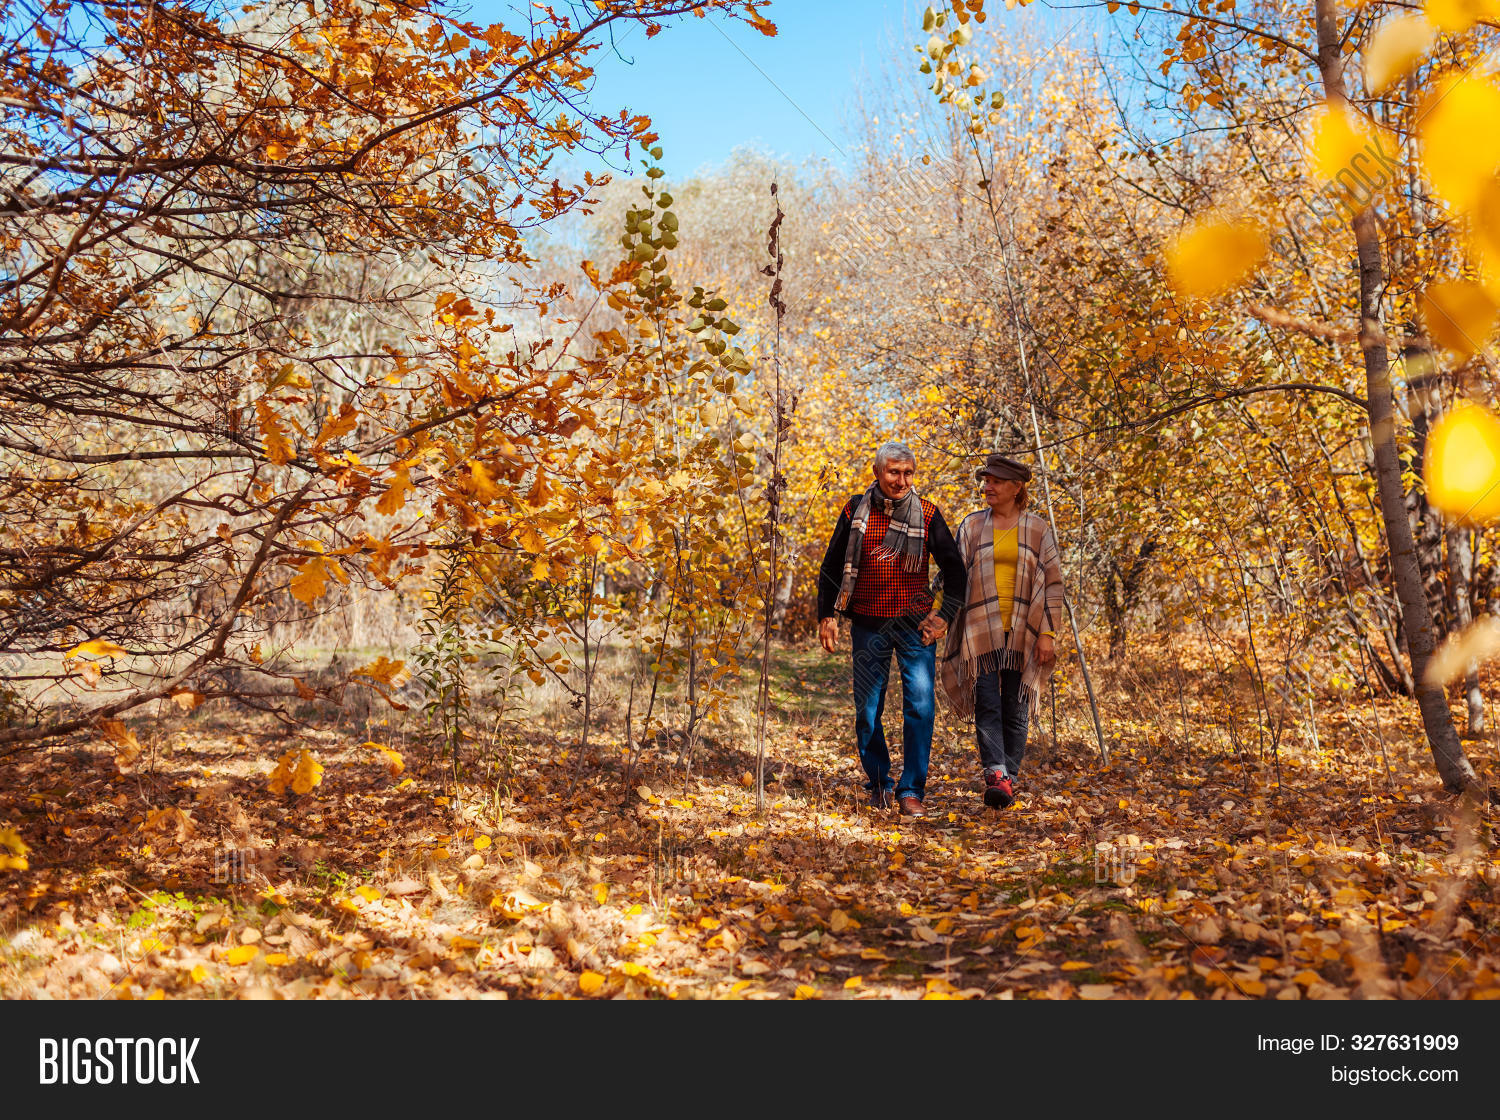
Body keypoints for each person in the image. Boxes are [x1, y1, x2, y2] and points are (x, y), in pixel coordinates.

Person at [817, 441, 967, 818]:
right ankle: (880, 784)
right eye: (893, 472)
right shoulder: (855, 510)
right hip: (869, 626)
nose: (901, 481)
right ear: (877, 472)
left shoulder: (928, 514)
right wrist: (827, 615)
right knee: (868, 711)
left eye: (908, 473)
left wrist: (944, 615)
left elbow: (955, 571)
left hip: (916, 629)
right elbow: (832, 566)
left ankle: (911, 790)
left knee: (920, 707)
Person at [939, 453, 1064, 810]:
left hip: (1024, 630)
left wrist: (1047, 634)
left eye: (995, 481)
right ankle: (996, 773)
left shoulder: (1037, 528)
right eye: (986, 480)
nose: (987, 486)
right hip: (981, 630)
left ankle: (1009, 777)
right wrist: (939, 615)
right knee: (987, 704)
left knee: (1016, 706)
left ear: (1016, 487)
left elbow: (1053, 584)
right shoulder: (973, 526)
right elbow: (954, 574)